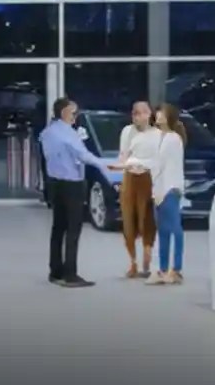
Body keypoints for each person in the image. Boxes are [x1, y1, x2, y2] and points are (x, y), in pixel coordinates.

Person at [113, 102, 186, 285]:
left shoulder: (173, 139)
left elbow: (158, 163)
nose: (157, 116)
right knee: (162, 230)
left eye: (161, 113)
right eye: (158, 113)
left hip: (170, 188)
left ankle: (175, 269)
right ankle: (160, 270)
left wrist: (130, 163)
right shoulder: (160, 137)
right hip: (158, 188)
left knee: (174, 228)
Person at [39, 97, 109, 288]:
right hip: (72, 185)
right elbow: (83, 155)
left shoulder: (47, 132)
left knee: (58, 227)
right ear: (63, 113)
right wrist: (107, 164)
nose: (76, 116)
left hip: (55, 183)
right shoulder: (67, 134)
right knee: (73, 229)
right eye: (74, 112)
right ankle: (70, 274)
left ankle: (55, 271)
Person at [116, 101, 159, 278]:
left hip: (148, 179)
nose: (138, 116)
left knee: (147, 220)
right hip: (130, 178)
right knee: (128, 222)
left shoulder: (157, 135)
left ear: (149, 114)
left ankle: (147, 260)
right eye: (135, 113)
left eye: (142, 112)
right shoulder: (127, 131)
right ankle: (133, 262)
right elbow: (123, 155)